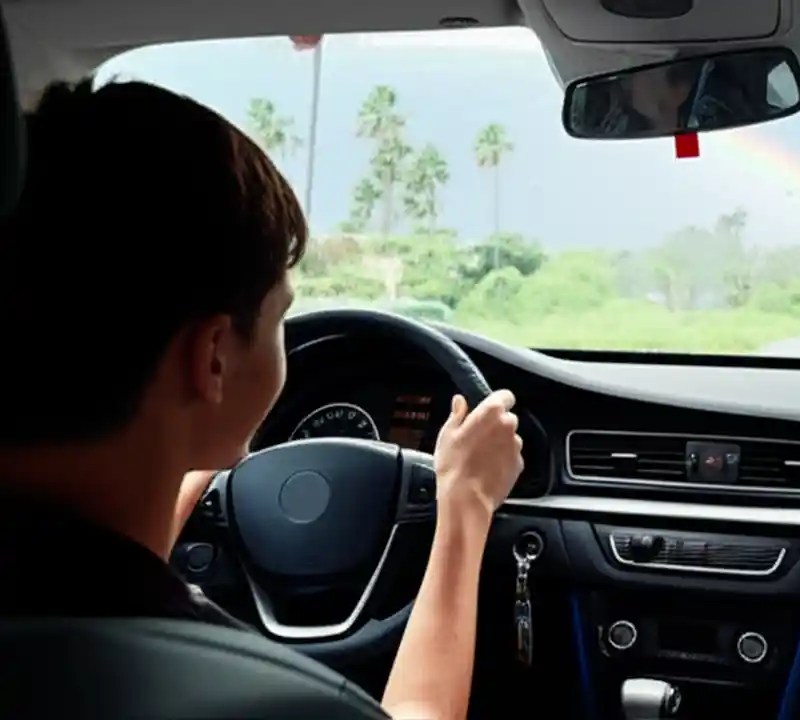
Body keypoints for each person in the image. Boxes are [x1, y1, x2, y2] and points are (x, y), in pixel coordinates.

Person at [0, 79, 523, 720]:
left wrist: (184, 469)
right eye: (280, 318)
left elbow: (86, 566)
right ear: (213, 356)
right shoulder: (268, 703)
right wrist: (464, 506)